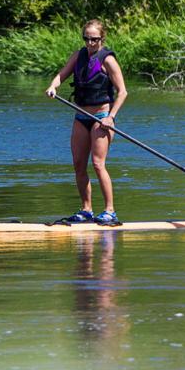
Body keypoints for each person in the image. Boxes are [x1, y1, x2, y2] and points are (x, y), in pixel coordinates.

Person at [44, 20, 129, 225]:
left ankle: (110, 212)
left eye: (94, 39)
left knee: (98, 164)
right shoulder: (78, 55)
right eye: (87, 38)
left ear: (102, 39)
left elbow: (123, 92)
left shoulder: (108, 60)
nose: (90, 43)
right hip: (81, 117)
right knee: (79, 165)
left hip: (101, 119)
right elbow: (61, 75)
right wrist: (53, 86)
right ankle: (86, 210)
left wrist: (111, 117)